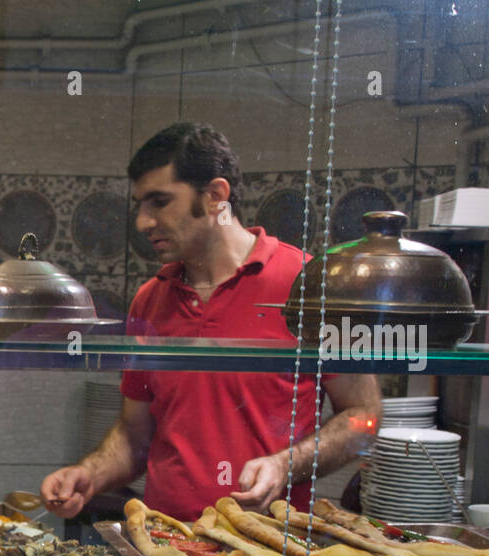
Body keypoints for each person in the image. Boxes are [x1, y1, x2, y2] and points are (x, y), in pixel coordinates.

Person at [42, 122, 381, 524]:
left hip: (267, 550)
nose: (143, 222)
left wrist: (286, 464)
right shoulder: (150, 300)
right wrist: (90, 474)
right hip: (165, 547)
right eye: (140, 206)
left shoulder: (309, 286)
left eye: (159, 202)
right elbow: (136, 435)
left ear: (216, 196)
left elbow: (364, 416)